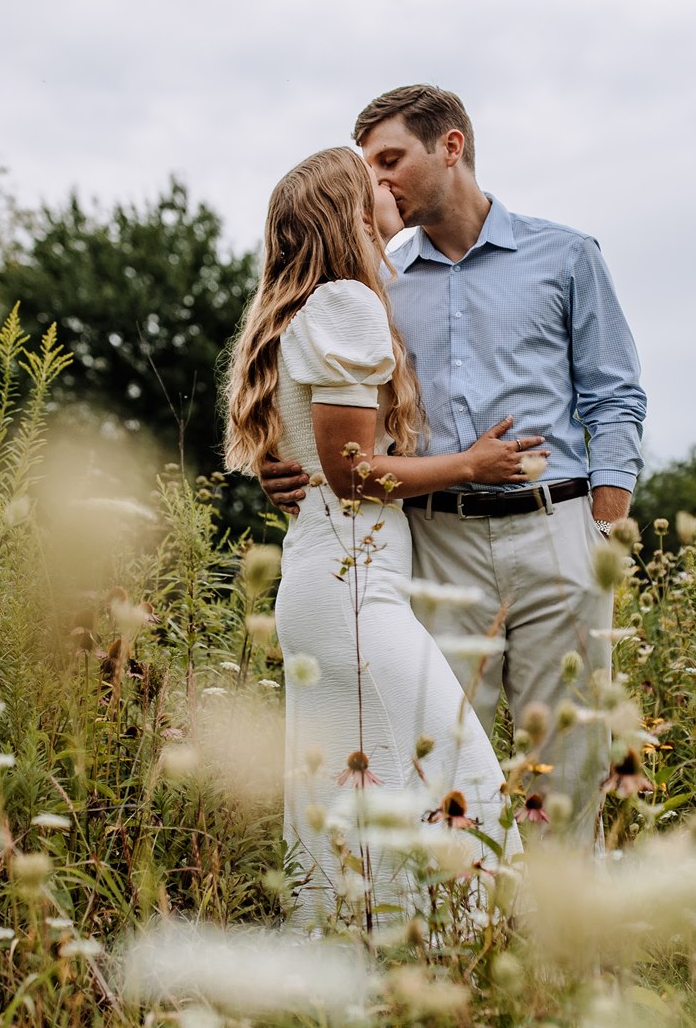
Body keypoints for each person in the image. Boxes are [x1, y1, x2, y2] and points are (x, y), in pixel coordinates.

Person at [260, 85, 647, 842]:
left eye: (391, 159)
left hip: (556, 529)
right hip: (432, 540)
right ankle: (460, 939)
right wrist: (291, 467)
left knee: (566, 756)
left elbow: (615, 397)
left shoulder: (566, 255)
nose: (379, 180)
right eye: (370, 168)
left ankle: (565, 941)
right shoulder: (378, 281)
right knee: (442, 758)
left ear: (452, 146)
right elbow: (334, 416)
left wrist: (603, 528)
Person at [223, 146, 551, 931]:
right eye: (372, 177)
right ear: (347, 207)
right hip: (351, 593)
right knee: (455, 771)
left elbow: (316, 464)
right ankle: (448, 964)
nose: (389, 184)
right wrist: (472, 464)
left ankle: (358, 971)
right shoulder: (346, 305)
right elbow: (353, 475)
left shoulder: (319, 309)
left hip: (331, 587)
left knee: (349, 793)